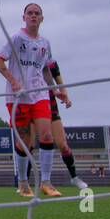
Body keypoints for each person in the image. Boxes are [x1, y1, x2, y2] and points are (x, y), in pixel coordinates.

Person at [0, 3, 67, 199]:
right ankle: (23, 182)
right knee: (25, 143)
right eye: (30, 13)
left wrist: (56, 90)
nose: (33, 16)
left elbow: (45, 69)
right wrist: (14, 82)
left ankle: (46, 183)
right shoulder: (17, 38)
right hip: (18, 98)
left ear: (42, 18)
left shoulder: (45, 43)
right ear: (24, 17)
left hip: (40, 95)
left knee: (46, 136)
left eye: (37, 14)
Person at [45, 58, 89, 191]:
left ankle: (74, 177)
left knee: (62, 145)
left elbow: (60, 83)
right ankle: (23, 182)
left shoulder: (51, 62)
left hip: (50, 104)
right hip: (32, 103)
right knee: (28, 144)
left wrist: (66, 96)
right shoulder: (26, 60)